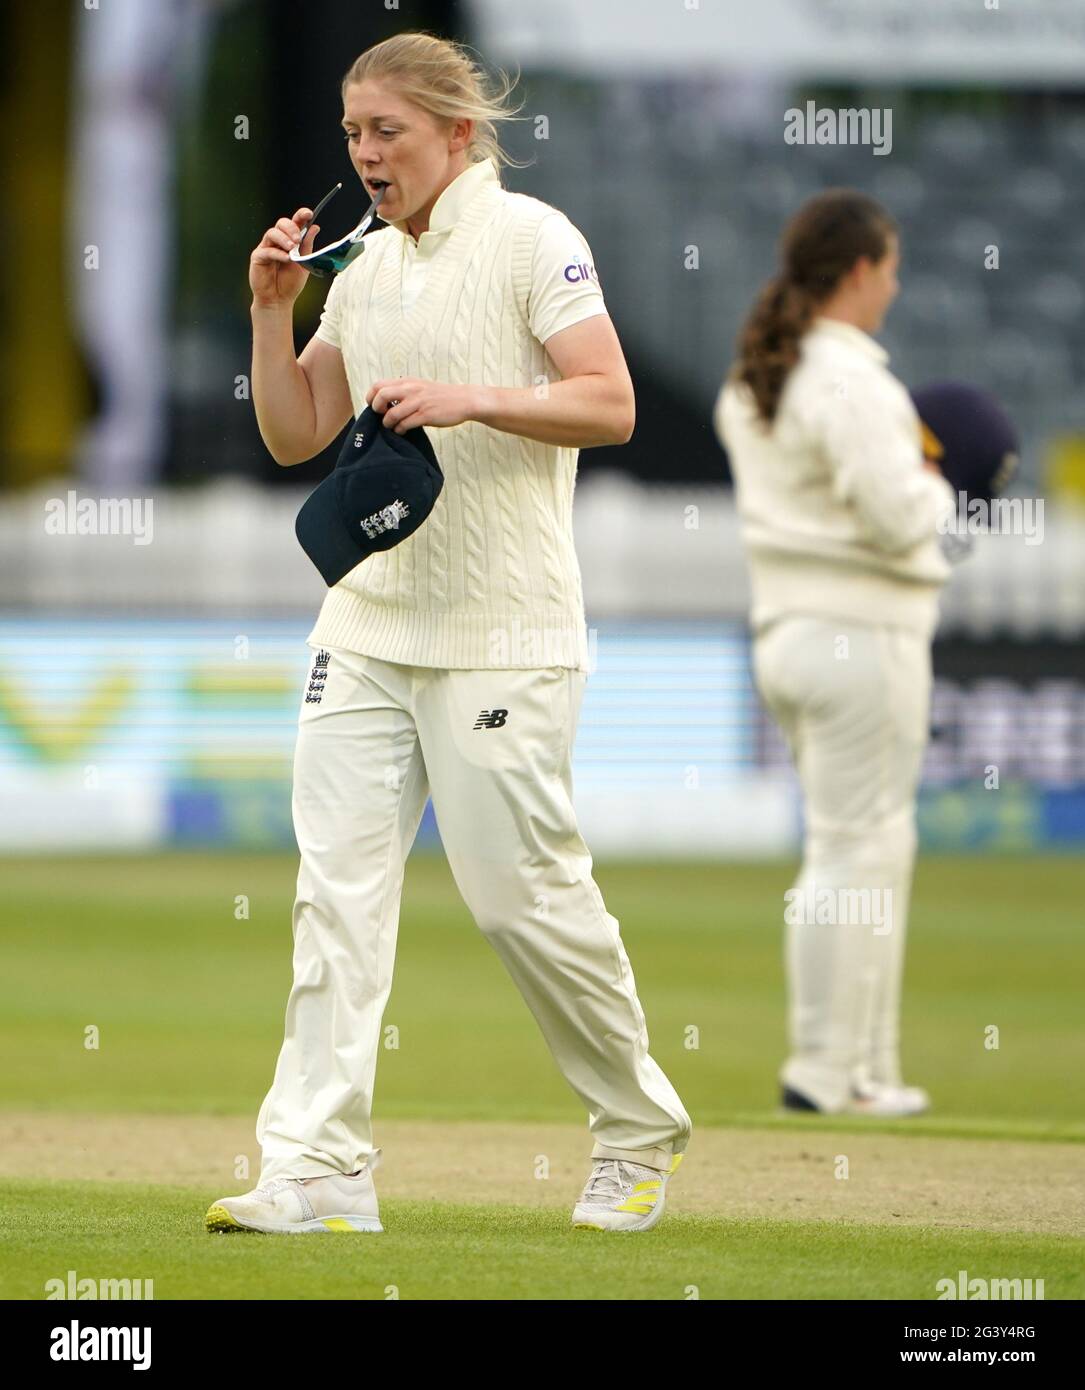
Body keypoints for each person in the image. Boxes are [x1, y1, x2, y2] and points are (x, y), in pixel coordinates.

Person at [205, 32, 690, 1235]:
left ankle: (633, 1133)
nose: (365, 153)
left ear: (456, 135)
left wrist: (477, 396)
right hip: (368, 624)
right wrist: (275, 314)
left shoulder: (535, 240)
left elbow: (611, 401)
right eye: (353, 131)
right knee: (336, 898)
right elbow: (294, 431)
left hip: (504, 629)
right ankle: (316, 1166)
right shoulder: (360, 267)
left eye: (388, 131)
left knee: (517, 896)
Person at [714, 189, 955, 1117]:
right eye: (889, 270)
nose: (892, 287)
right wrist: (945, 485)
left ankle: (865, 1069)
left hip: (789, 634)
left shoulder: (757, 374)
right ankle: (826, 1070)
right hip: (863, 637)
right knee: (857, 849)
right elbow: (898, 520)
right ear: (859, 270)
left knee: (859, 846)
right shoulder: (849, 378)